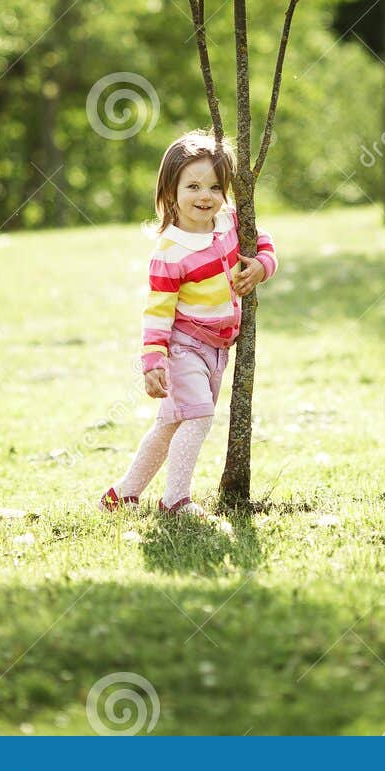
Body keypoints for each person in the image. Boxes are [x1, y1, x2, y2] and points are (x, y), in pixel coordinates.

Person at [100, 130, 278, 518]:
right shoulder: (170, 251)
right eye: (193, 185)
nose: (205, 196)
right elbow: (158, 311)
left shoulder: (230, 223)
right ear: (170, 191)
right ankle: (175, 500)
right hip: (184, 348)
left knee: (170, 426)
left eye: (215, 187)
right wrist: (153, 361)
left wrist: (262, 267)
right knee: (197, 417)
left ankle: (123, 493)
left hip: (218, 351)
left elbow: (264, 242)